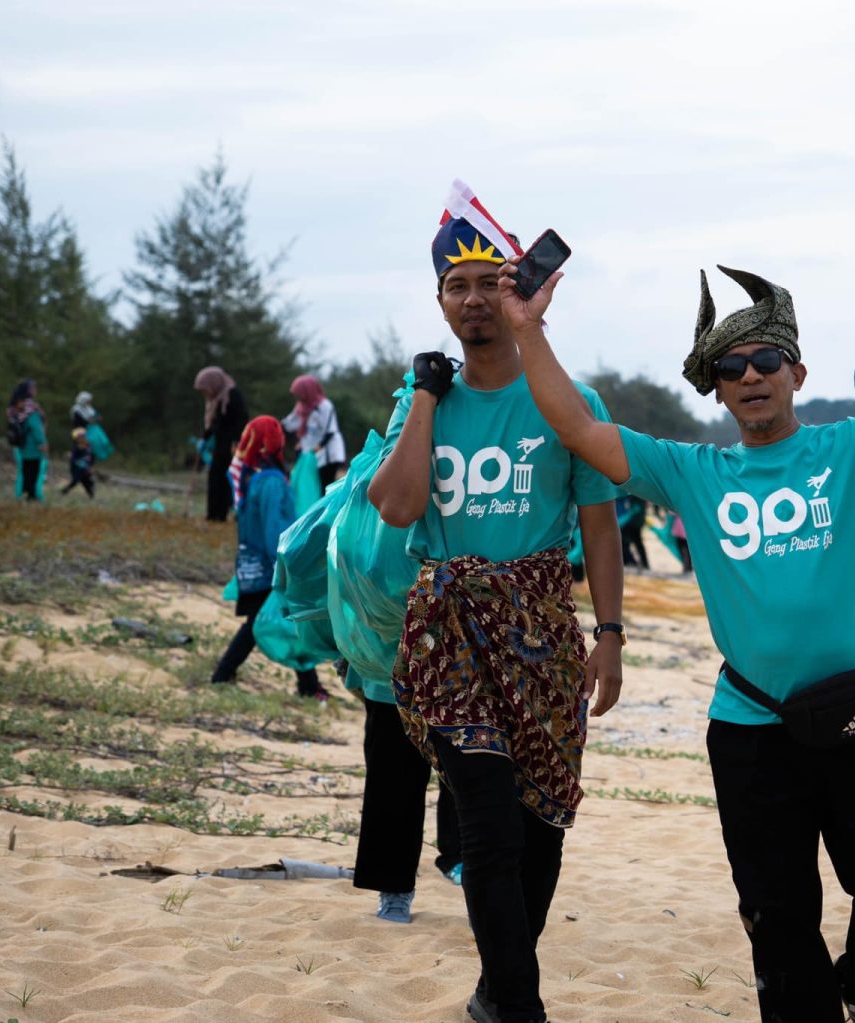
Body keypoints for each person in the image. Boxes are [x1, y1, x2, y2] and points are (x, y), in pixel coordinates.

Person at [504, 255, 855, 1023]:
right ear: (717, 386)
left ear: (797, 371)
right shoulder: (690, 471)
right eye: (734, 366)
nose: (752, 375)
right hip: (752, 730)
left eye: (766, 359)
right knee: (778, 919)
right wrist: (527, 327)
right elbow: (577, 427)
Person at [367, 182, 624, 1023]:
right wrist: (428, 400)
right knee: (484, 812)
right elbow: (399, 506)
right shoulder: (425, 402)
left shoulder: (566, 402)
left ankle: (496, 985)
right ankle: (518, 1002)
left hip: (543, 631)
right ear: (439, 299)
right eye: (456, 285)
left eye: (488, 282)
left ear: (513, 292)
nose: (473, 299)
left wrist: (610, 635)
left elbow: (599, 525)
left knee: (541, 817)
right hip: (447, 633)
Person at [210, 415, 329, 700]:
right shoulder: (272, 480)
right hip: (269, 565)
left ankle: (307, 685)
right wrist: (284, 563)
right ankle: (223, 675)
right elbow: (274, 528)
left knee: (266, 620)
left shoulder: (254, 476)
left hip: (253, 562)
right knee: (267, 621)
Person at [341, 659, 463, 923]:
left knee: (471, 779)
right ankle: (393, 887)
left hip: (468, 672)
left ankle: (463, 863)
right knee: (393, 781)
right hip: (389, 669)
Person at [194, 367, 249, 522]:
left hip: (232, 445)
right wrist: (205, 438)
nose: (205, 394)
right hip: (220, 443)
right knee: (214, 476)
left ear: (214, 383)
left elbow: (242, 419)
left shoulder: (232, 395)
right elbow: (214, 423)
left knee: (227, 478)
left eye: (205, 389)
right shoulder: (216, 399)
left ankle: (224, 513)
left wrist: (237, 442)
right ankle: (213, 513)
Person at [283, 374, 348, 489]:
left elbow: (330, 430)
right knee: (310, 486)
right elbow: (291, 423)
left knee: (324, 486)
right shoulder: (301, 407)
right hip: (310, 453)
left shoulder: (324, 406)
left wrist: (319, 446)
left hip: (328, 453)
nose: (298, 397)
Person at [7, 379, 47, 502]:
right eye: (33, 388)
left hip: (20, 445)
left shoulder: (13, 406)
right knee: (33, 472)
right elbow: (35, 426)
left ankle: (22, 494)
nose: (35, 390)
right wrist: (42, 442)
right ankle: (33, 495)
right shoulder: (30, 407)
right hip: (32, 446)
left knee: (24, 471)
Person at [62, 428, 96, 498]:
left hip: (86, 469)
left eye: (83, 436)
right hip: (77, 469)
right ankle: (65, 490)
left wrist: (91, 466)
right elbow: (73, 459)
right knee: (76, 480)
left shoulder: (89, 447)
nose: (82, 438)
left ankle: (91, 494)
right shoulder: (76, 448)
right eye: (79, 437)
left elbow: (92, 457)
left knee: (87, 482)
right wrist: (73, 459)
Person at [618, 494, 650, 569]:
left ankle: (633, 562)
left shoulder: (637, 496)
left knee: (627, 543)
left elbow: (637, 509)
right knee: (635, 543)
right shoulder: (638, 496)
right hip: (634, 523)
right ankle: (639, 563)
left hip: (633, 523)